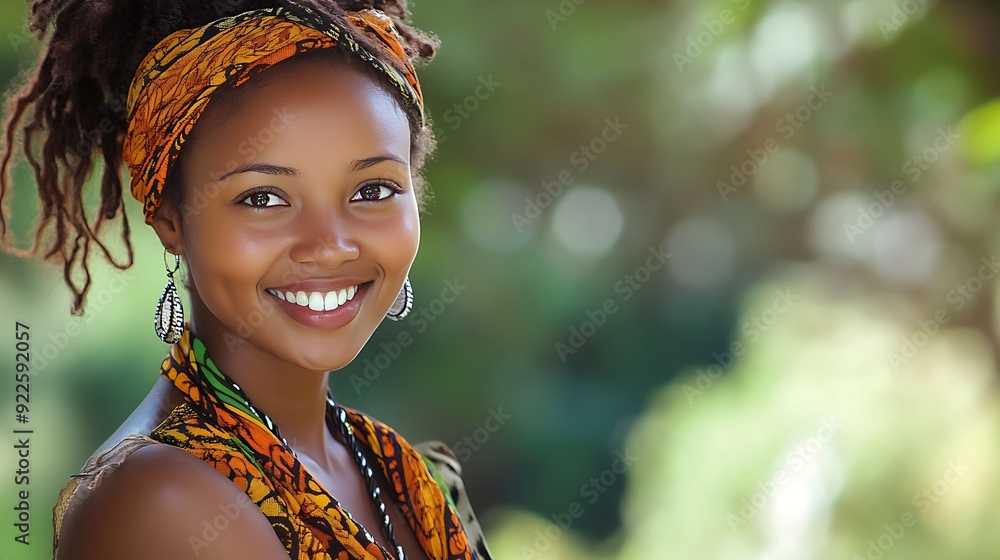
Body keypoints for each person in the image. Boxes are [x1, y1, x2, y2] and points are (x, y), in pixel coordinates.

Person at [0, 1, 493, 558]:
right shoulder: (162, 503)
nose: (329, 246)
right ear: (170, 219)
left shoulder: (403, 473)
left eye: (373, 191)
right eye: (263, 198)